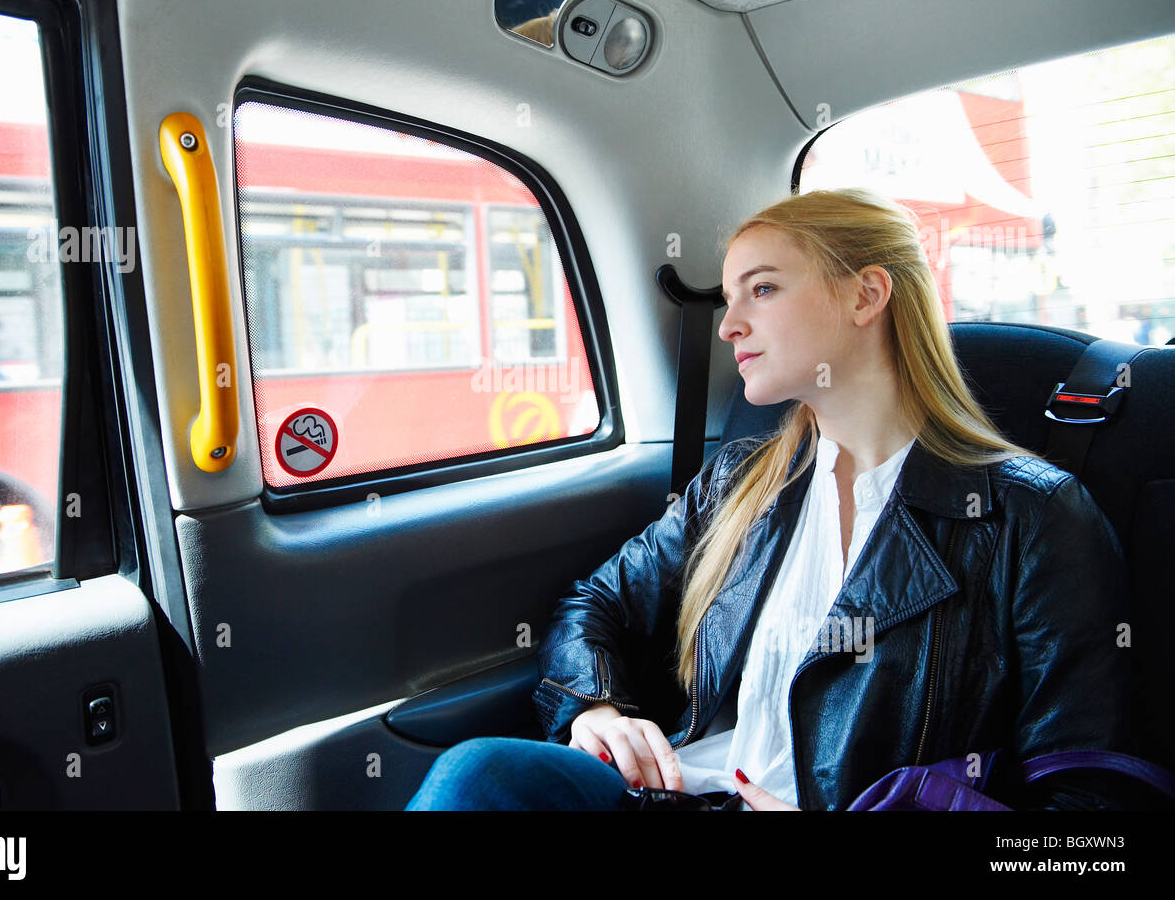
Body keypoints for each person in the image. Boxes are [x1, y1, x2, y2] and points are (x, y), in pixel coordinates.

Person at [405, 187, 1133, 811]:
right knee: (480, 773)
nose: (728, 326)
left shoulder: (1033, 518)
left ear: (865, 294)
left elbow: (1083, 813)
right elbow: (594, 605)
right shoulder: (738, 484)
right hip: (685, 791)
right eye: (728, 299)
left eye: (762, 288)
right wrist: (594, 707)